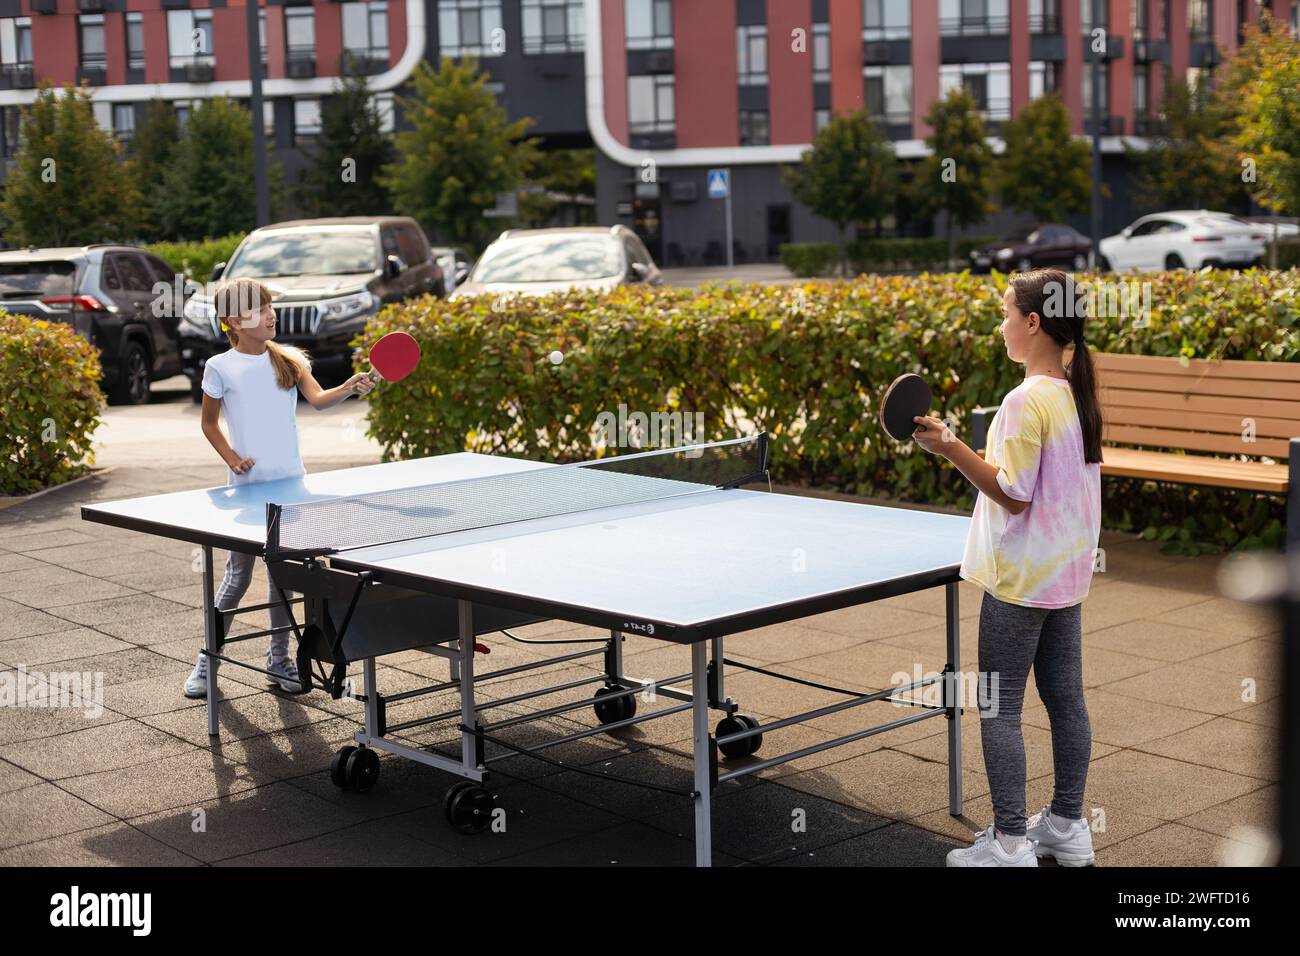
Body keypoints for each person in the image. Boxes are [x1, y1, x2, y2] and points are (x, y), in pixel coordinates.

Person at [912, 269, 1103, 867]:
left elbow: (1013, 492)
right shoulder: (1076, 393)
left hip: (1021, 582)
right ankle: (1068, 826)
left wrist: (948, 446)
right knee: (1065, 701)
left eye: (1004, 314)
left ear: (1032, 322)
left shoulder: (1025, 401)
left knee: (999, 708)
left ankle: (1011, 842)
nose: (1000, 326)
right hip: (1066, 578)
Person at [184, 278, 374, 698]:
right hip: (246, 492)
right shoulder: (219, 367)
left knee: (282, 584)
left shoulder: (287, 359)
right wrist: (233, 459)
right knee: (237, 578)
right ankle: (207, 661)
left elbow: (320, 399)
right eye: (259, 308)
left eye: (270, 306)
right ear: (233, 320)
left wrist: (347, 387)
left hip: (292, 490)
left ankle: (279, 661)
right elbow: (209, 423)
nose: (271, 314)